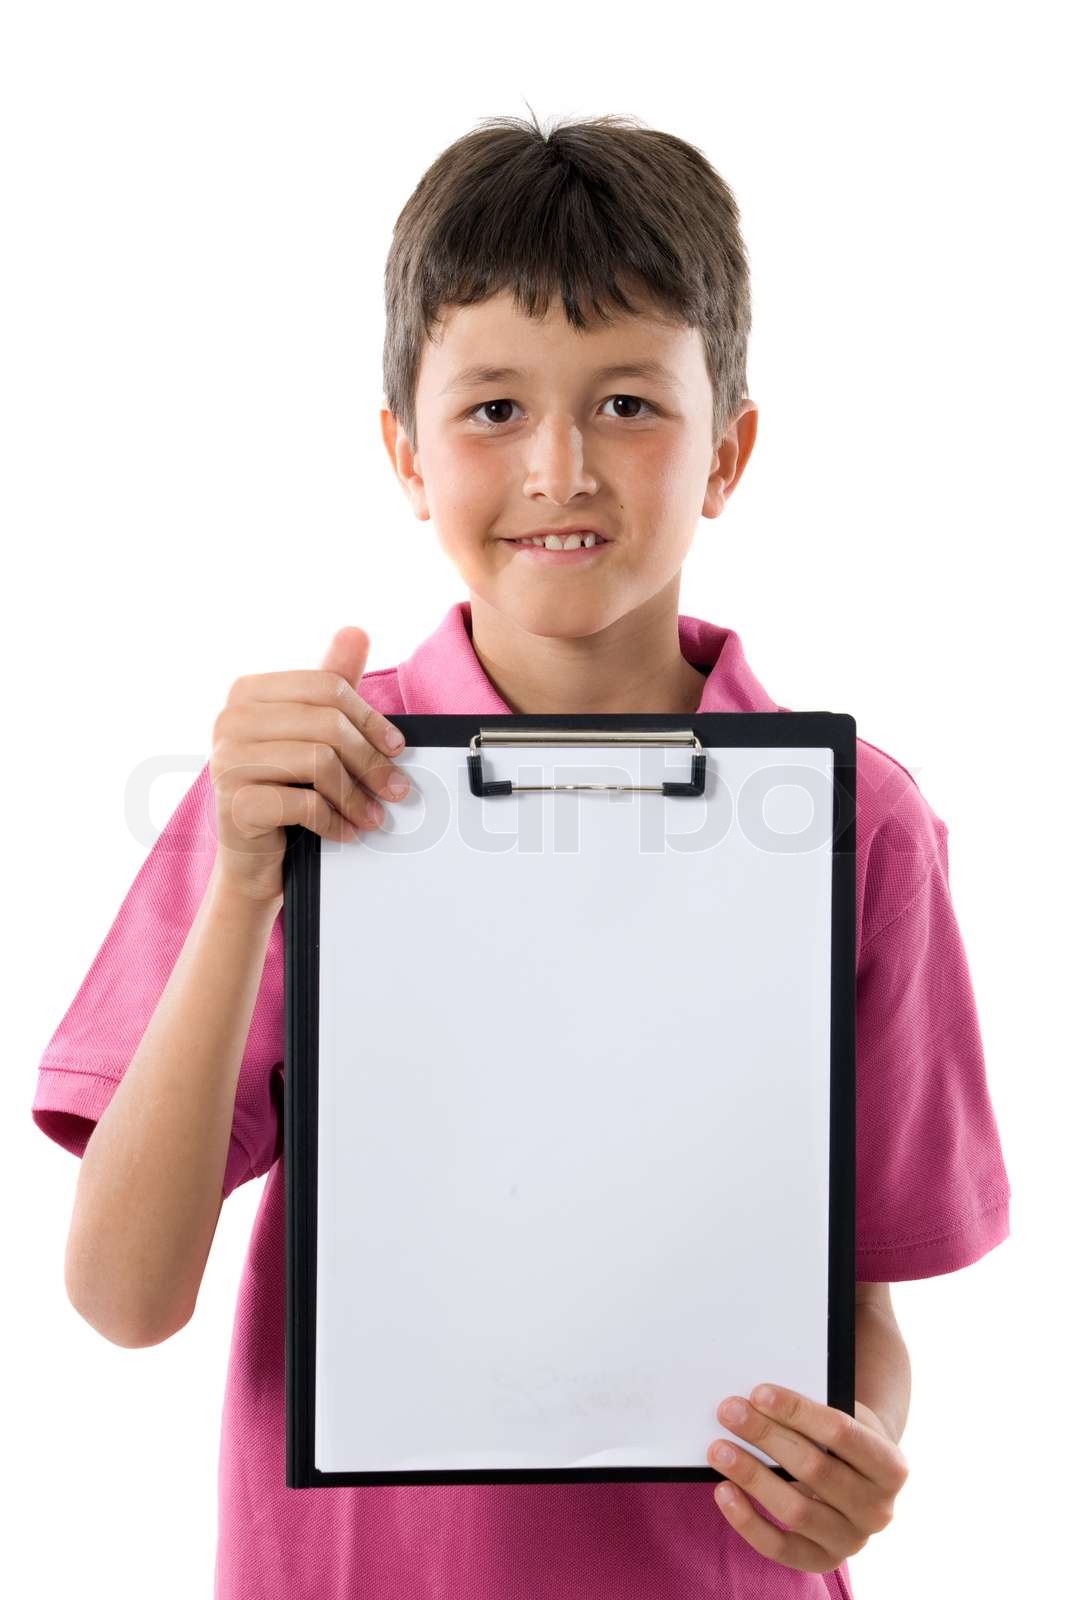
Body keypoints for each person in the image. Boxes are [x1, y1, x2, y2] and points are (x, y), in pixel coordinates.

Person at [31, 110, 1011, 1599]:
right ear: (405, 455)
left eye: (628, 403)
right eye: (492, 410)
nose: (561, 467)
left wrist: (862, 1443)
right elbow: (121, 1295)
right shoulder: (297, 786)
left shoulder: (853, 823)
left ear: (728, 450)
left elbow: (853, 1300)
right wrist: (244, 880)